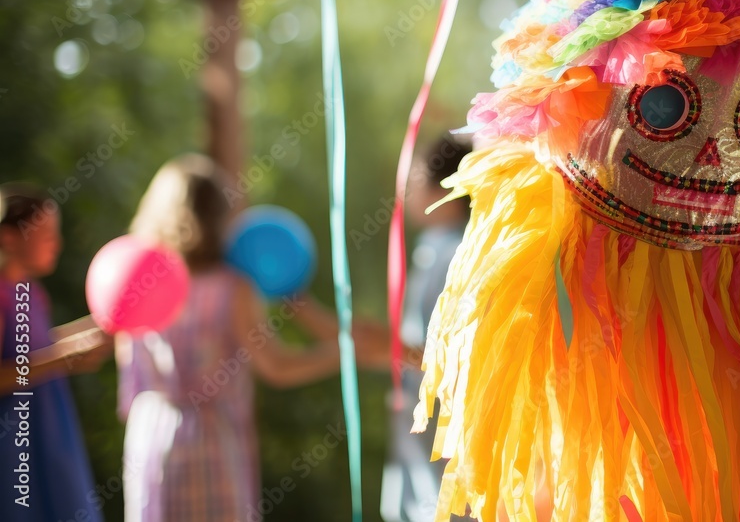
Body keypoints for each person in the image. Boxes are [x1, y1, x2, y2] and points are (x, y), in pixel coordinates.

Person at [116, 153, 387, 522]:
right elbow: (277, 366)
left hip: (151, 436)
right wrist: (344, 351)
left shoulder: (137, 282)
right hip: (212, 442)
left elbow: (127, 371)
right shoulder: (231, 288)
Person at [0, 182, 111, 521]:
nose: (57, 244)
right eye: (46, 234)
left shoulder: (32, 292)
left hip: (49, 437)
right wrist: (62, 359)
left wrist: (99, 326)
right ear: (9, 237)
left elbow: (35, 348)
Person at [381, 134, 473, 522]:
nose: (405, 187)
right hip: (421, 428)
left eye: (414, 174)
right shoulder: (434, 247)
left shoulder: (457, 254)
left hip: (445, 430)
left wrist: (387, 350)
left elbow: (454, 353)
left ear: (443, 185)